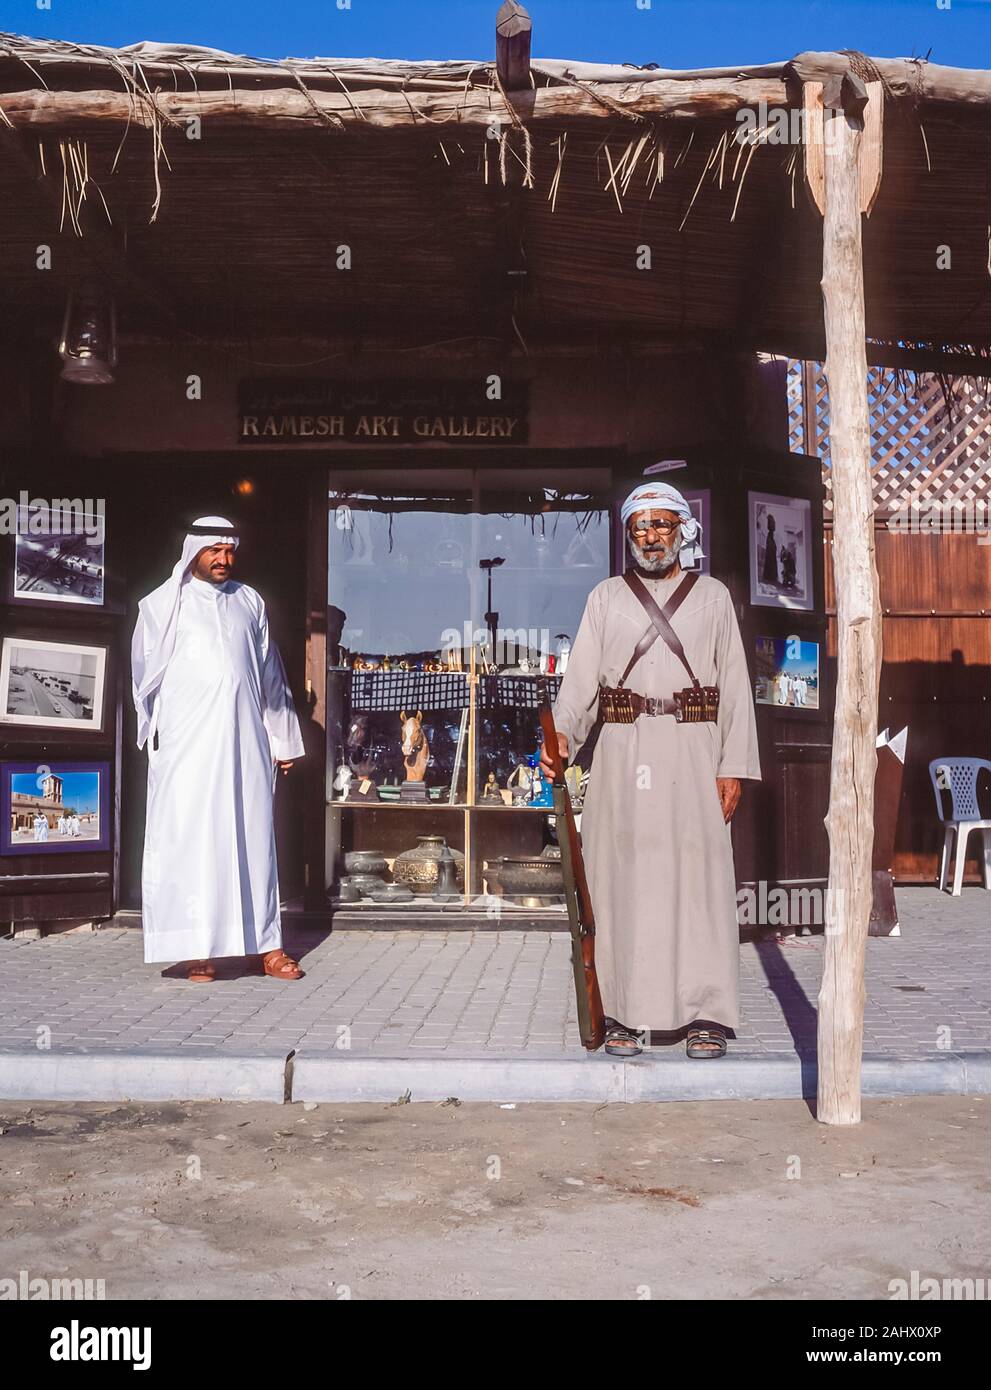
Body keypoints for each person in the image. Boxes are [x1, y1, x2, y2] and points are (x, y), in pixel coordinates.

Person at [543, 481, 760, 1059]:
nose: (650, 538)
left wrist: (732, 766)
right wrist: (563, 735)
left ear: (683, 531)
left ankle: (704, 1015)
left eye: (661, 526)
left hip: (695, 752)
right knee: (621, 882)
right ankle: (619, 1012)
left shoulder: (712, 597)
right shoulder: (606, 597)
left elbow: (735, 687)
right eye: (640, 529)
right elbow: (581, 685)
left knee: (699, 883)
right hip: (622, 751)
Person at [131, 516, 305, 983]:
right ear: (193, 552)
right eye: (215, 551)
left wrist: (282, 738)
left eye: (230, 551)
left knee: (253, 838)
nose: (224, 559)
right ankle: (195, 949)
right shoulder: (164, 604)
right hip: (188, 743)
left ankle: (265, 946)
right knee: (191, 840)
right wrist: (156, 734)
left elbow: (271, 676)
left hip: (247, 739)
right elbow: (143, 676)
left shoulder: (250, 601)